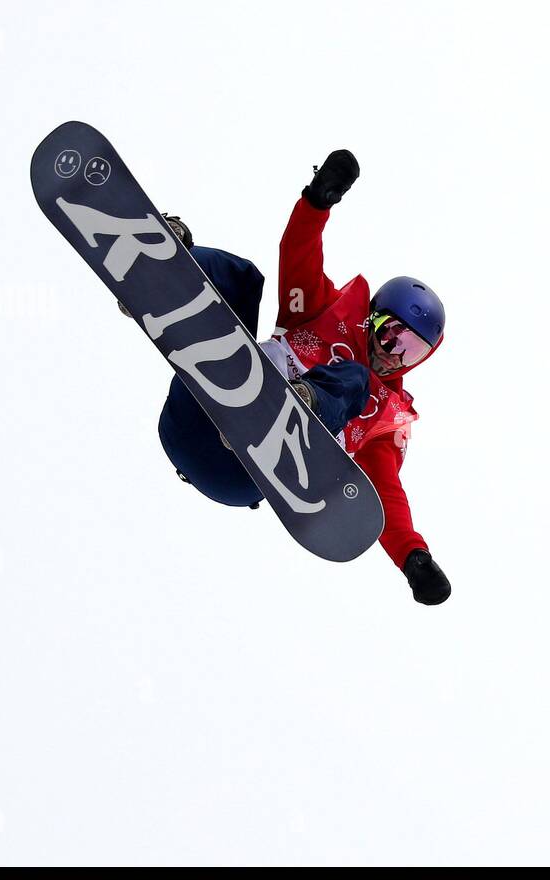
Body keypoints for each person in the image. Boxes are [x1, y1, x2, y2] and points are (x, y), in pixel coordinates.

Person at [149, 152, 451, 605]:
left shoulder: (383, 416)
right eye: (390, 333)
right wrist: (319, 200)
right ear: (371, 319)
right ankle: (166, 268)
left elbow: (387, 497)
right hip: (196, 412)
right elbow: (297, 250)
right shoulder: (321, 308)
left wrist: (414, 557)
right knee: (244, 279)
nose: (393, 353)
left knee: (359, 381)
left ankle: (294, 410)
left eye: (411, 348)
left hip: (242, 471)